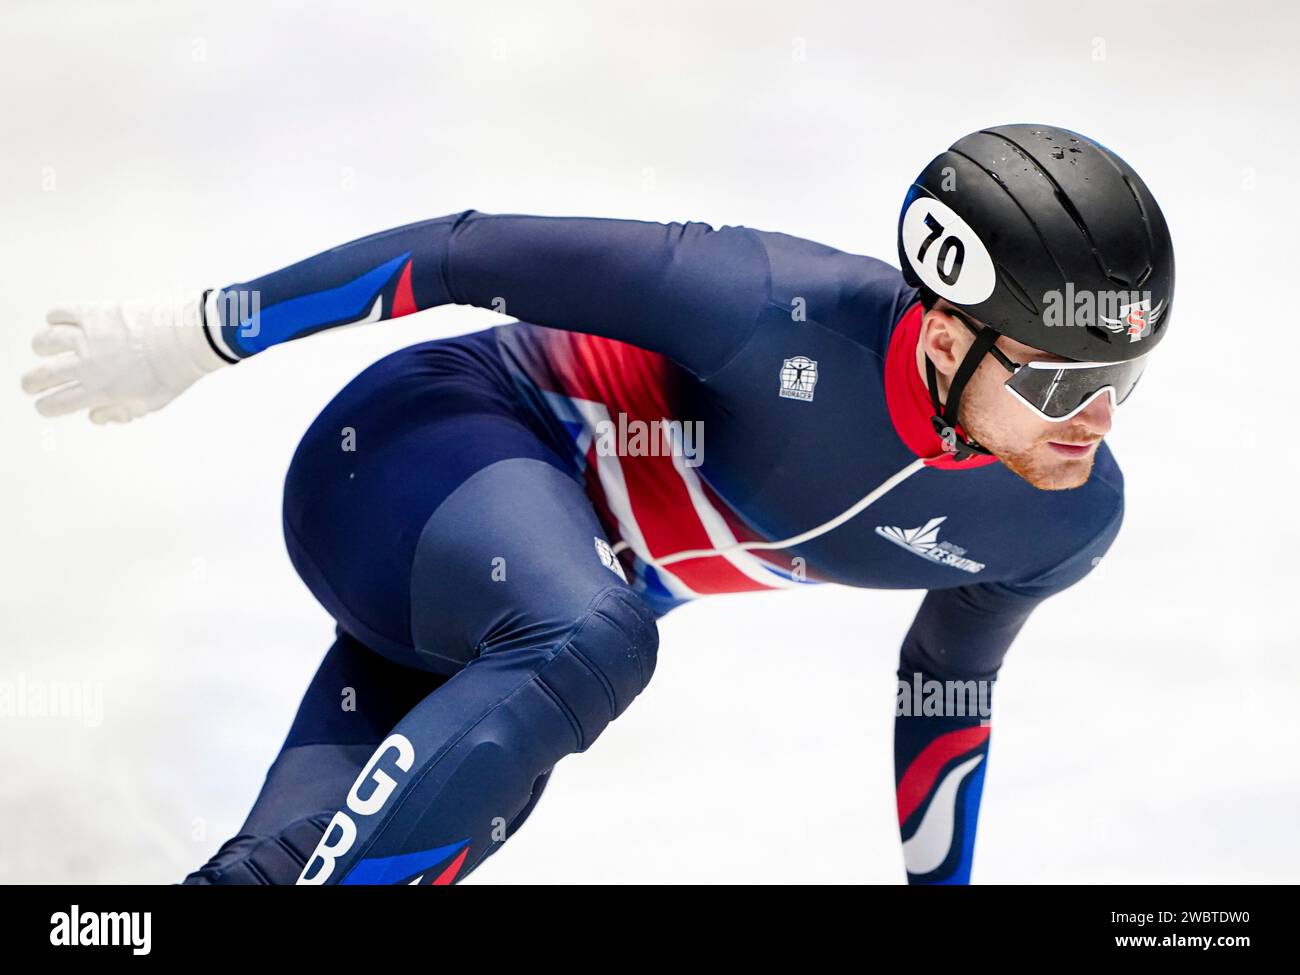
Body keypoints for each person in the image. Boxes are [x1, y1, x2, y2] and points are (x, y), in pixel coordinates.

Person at [20, 123, 1174, 884]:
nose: (1097, 418)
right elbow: (457, 252)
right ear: (942, 328)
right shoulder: (769, 304)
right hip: (423, 461)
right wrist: (198, 334)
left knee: (301, 859)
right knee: (595, 634)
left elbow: (948, 687)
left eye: (1121, 378)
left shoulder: (1059, 521)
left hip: (491, 624)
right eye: (1063, 378)